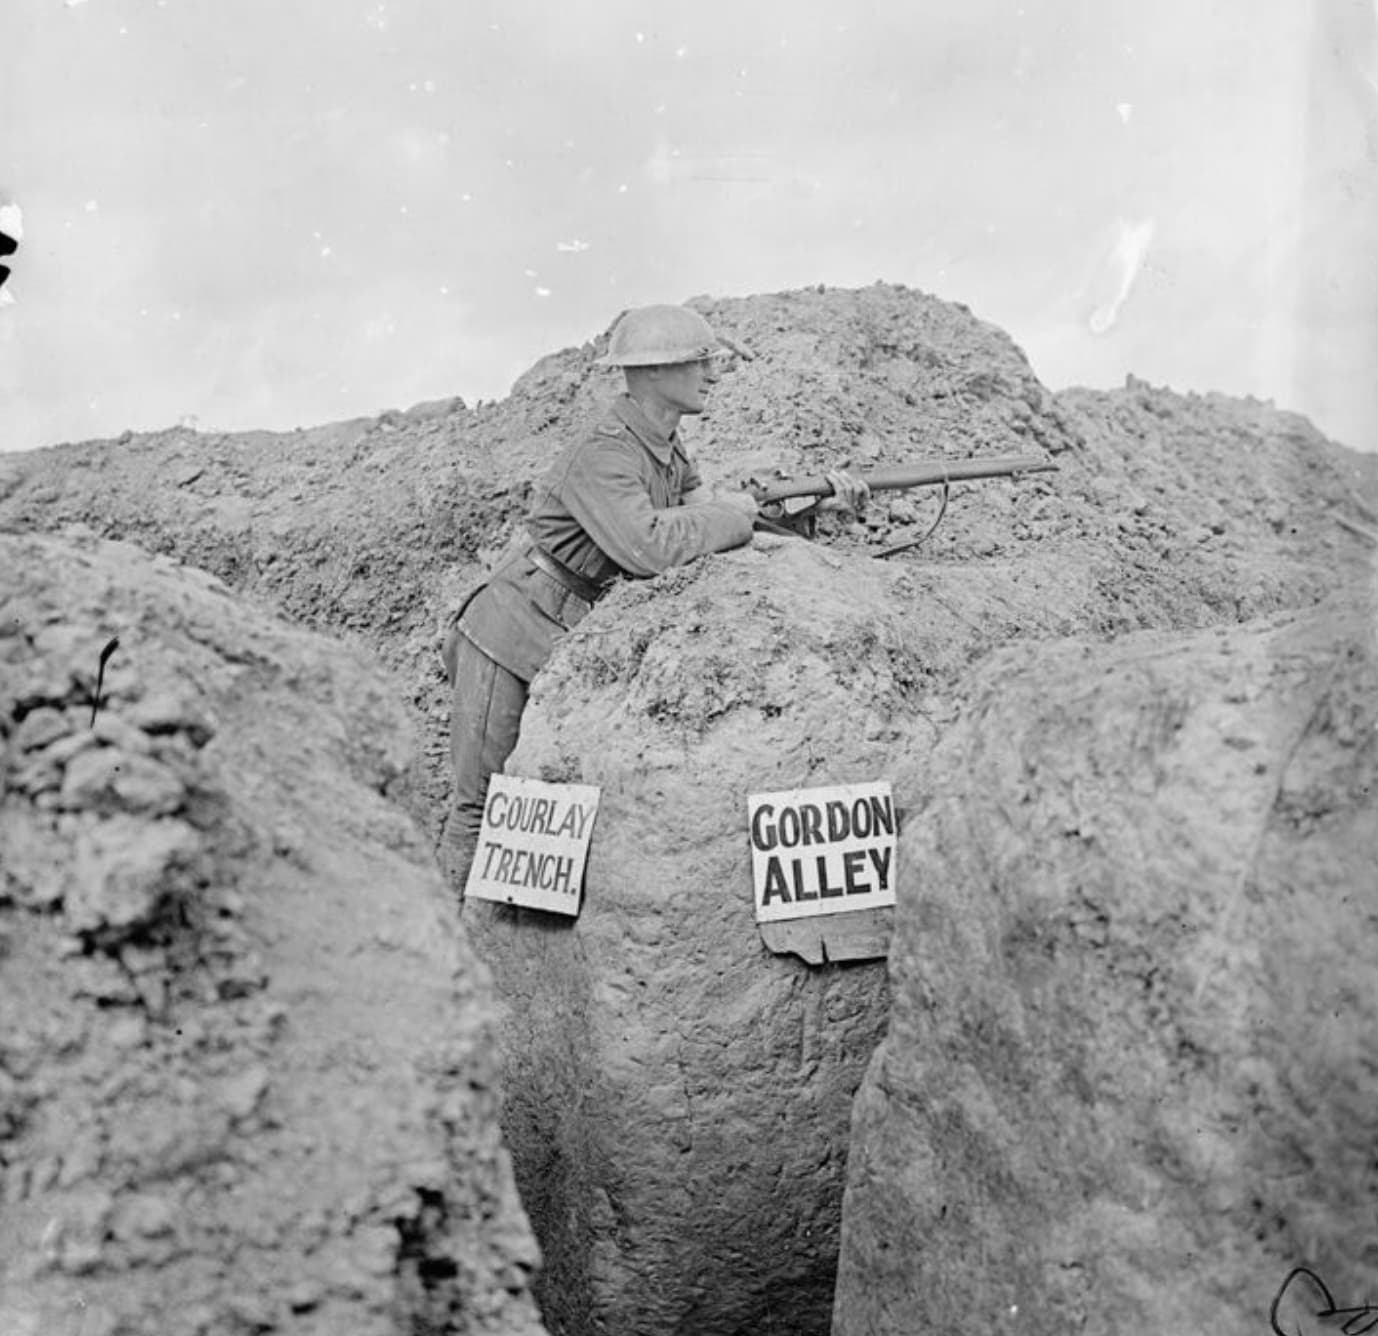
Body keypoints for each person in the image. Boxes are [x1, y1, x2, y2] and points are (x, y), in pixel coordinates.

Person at [439, 303, 867, 894]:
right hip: (508, 630)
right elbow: (652, 548)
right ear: (654, 373)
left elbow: (708, 523)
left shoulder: (666, 445)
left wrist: (813, 510)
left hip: (564, 630)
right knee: (482, 805)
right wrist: (732, 514)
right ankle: (446, 962)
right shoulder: (605, 452)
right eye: (699, 362)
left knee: (538, 795)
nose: (713, 373)